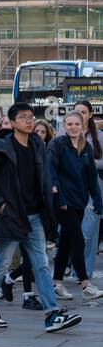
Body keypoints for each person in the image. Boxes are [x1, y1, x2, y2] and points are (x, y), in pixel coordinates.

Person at [0, 102, 79, 332]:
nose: (29, 121)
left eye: (31, 116)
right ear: (12, 123)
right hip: (11, 215)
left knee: (41, 264)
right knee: (2, 264)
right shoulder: (0, 148)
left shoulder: (37, 144)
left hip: (35, 215)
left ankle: (52, 313)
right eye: (23, 117)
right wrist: (0, 205)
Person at [48, 111, 103, 300]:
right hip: (63, 202)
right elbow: (51, 171)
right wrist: (59, 197)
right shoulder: (57, 144)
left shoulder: (86, 147)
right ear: (64, 125)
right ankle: (85, 283)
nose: (73, 127)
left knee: (65, 242)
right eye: (69, 124)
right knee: (78, 240)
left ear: (82, 126)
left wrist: (97, 199)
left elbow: (91, 177)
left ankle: (56, 283)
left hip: (79, 201)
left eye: (76, 124)